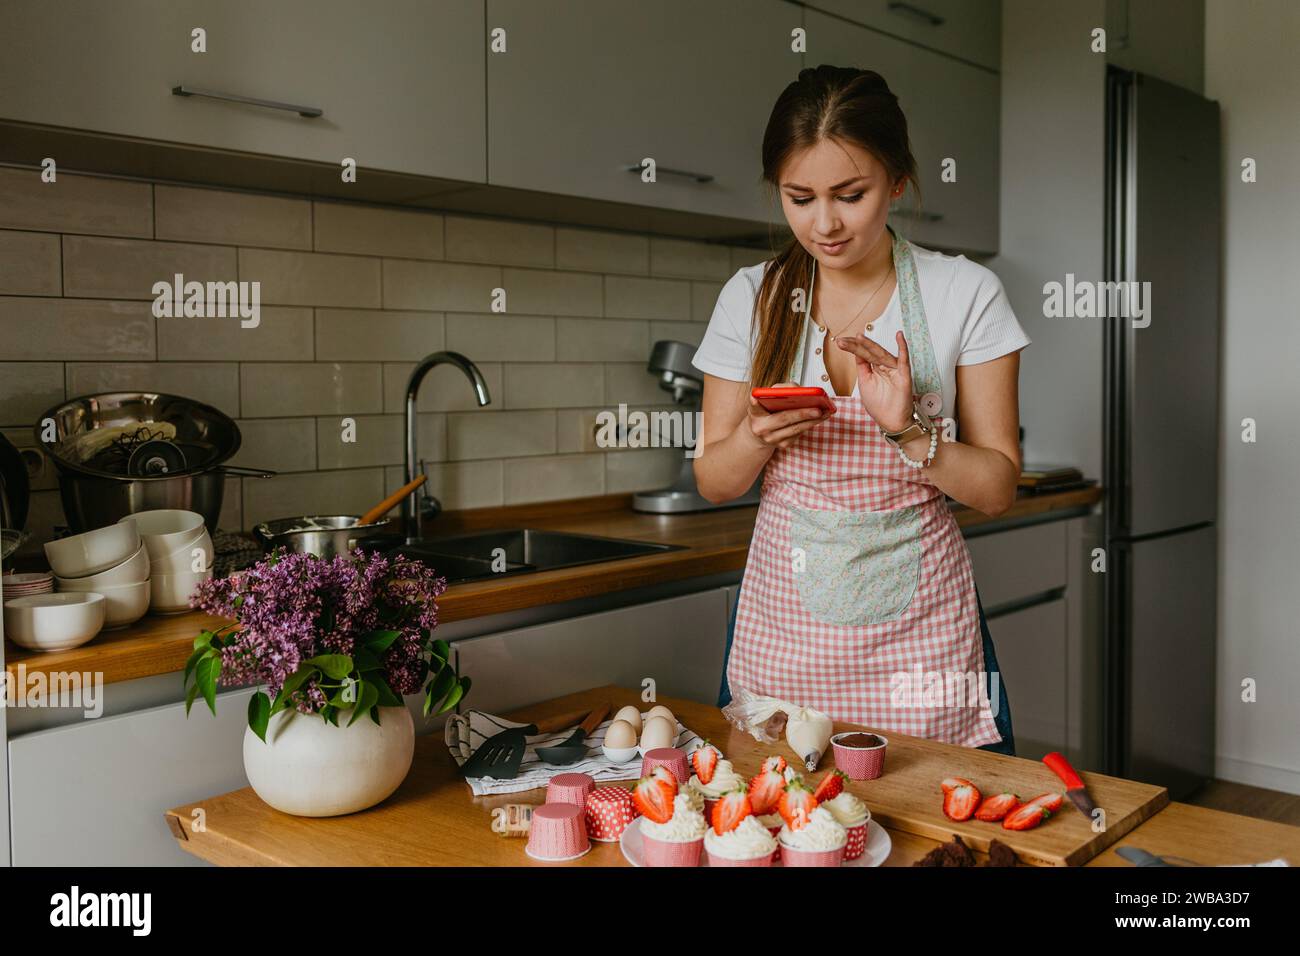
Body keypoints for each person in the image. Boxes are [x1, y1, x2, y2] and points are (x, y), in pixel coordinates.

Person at [692, 65, 1029, 755]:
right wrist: (757, 435)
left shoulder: (965, 292)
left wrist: (910, 431)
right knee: (786, 831)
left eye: (851, 195)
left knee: (940, 841)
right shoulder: (751, 298)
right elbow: (714, 481)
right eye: (799, 197)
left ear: (898, 182)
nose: (825, 223)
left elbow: (996, 489)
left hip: (922, 631)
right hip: (785, 632)